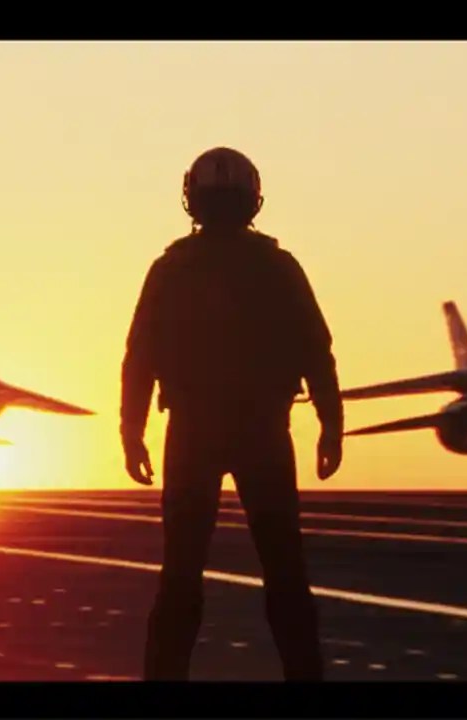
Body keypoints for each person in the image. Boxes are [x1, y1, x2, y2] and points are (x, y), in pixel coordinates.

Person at [120, 146, 344, 681]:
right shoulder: (278, 267)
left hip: (192, 434)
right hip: (262, 433)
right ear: (253, 199)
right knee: (285, 574)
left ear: (190, 197)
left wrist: (132, 431)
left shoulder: (171, 269)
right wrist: (331, 425)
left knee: (180, 578)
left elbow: (140, 355)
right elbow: (317, 349)